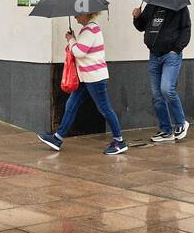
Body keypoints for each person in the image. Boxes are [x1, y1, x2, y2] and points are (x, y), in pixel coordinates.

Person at [37, 11, 127, 155]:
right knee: (71, 105)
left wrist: (71, 40)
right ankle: (57, 138)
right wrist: (73, 40)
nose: (75, 17)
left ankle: (119, 142)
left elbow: (79, 52)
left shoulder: (90, 30)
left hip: (95, 78)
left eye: (78, 14)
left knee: (105, 108)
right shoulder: (88, 30)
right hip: (86, 77)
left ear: (86, 14)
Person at [134, 0, 191, 142]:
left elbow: (186, 29)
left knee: (167, 89)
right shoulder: (152, 5)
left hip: (171, 55)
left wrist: (176, 49)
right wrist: (137, 17)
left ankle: (181, 123)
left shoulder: (179, 7)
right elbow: (142, 26)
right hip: (154, 55)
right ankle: (166, 130)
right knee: (156, 95)